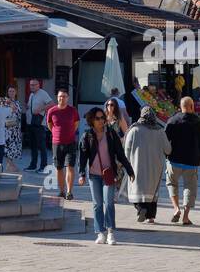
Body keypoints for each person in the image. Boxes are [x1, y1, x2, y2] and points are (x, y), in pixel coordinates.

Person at [77, 105, 133, 245]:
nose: (101, 121)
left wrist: (129, 169)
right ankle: (100, 233)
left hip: (109, 174)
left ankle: (110, 233)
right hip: (94, 176)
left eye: (103, 118)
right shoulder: (87, 135)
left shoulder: (111, 134)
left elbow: (120, 154)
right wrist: (82, 174)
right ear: (92, 120)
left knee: (108, 203)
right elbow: (83, 157)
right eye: (97, 118)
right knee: (97, 204)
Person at [165, 96, 200, 225]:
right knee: (190, 187)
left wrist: (166, 154)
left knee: (172, 183)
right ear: (192, 106)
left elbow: (165, 140)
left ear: (181, 107)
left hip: (174, 160)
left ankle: (176, 208)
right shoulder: (199, 122)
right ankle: (185, 216)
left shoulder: (172, 121)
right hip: (191, 161)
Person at [123, 107, 170, 222]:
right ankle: (151, 217)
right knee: (152, 192)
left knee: (137, 190)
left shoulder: (134, 130)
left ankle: (141, 208)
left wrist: (126, 164)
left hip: (136, 166)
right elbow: (168, 150)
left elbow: (127, 150)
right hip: (155, 167)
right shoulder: (160, 131)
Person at [46, 89, 80, 201]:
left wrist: (69, 133)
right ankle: (61, 191)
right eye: (60, 96)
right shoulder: (52, 111)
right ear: (57, 97)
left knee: (70, 166)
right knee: (59, 168)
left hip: (70, 142)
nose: (62, 98)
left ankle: (69, 192)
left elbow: (76, 124)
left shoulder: (73, 110)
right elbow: (49, 125)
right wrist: (57, 134)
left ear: (68, 98)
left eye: (64, 96)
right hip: (57, 143)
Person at [24, 78, 52, 172]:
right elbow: (30, 107)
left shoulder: (43, 93)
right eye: (31, 85)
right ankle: (33, 165)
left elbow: (51, 104)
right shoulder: (31, 95)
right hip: (31, 123)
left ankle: (43, 166)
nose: (32, 86)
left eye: (34, 85)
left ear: (38, 85)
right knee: (33, 146)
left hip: (39, 124)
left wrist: (40, 109)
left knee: (42, 146)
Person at [2, 85, 23, 173]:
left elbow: (18, 112)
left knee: (13, 147)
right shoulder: (4, 102)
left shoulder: (17, 102)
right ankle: (11, 165)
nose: (11, 93)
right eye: (10, 91)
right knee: (6, 147)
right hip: (7, 128)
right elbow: (2, 113)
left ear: (16, 92)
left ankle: (9, 165)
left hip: (15, 128)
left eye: (13, 91)